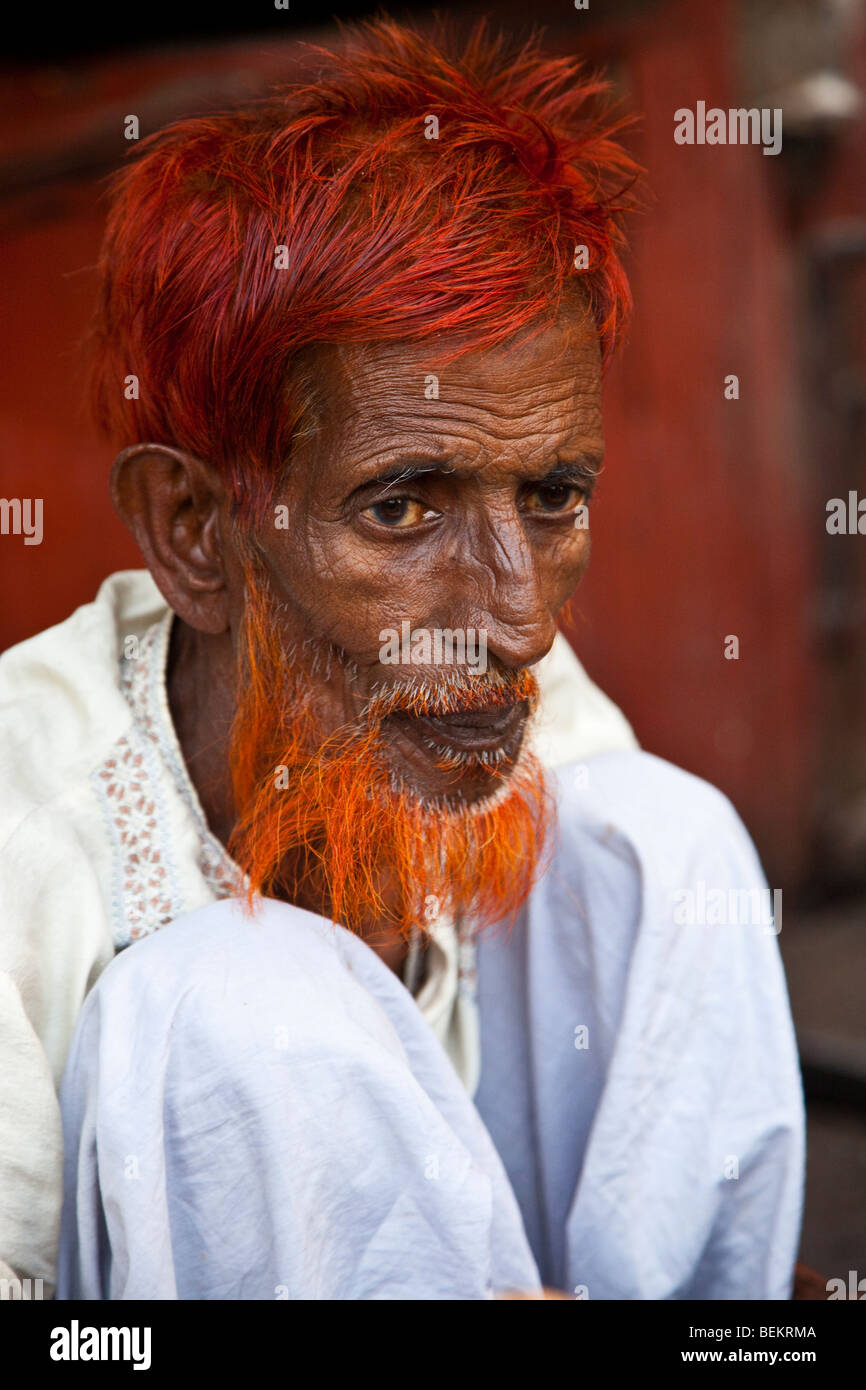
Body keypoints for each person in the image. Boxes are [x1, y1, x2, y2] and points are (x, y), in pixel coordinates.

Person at [2, 18, 803, 1300]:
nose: (520, 620)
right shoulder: (22, 835)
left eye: (551, 495)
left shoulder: (481, 676)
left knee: (666, 843)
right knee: (228, 1010)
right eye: (400, 507)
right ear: (195, 531)